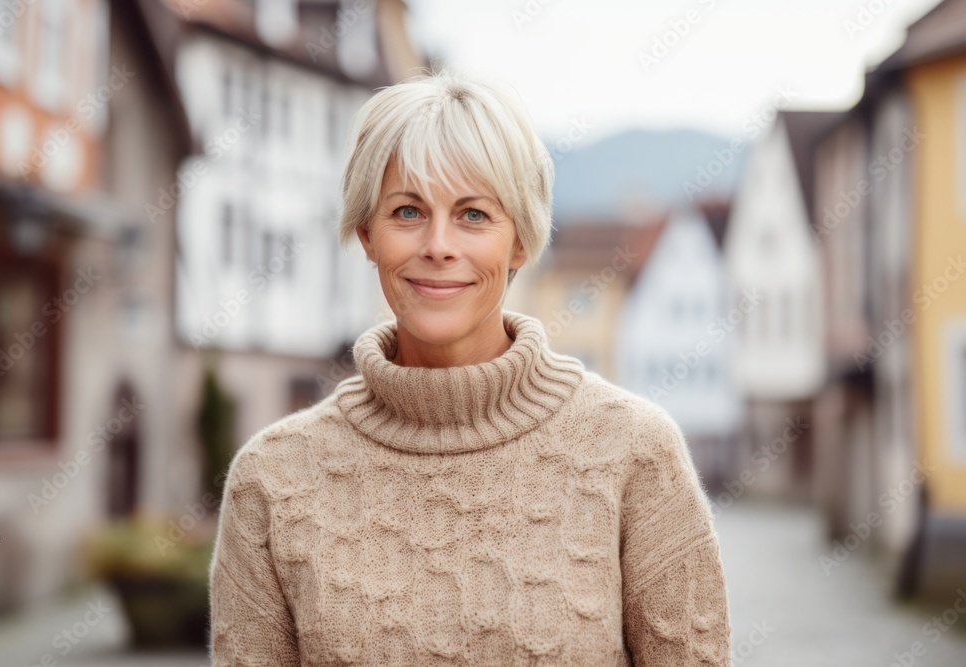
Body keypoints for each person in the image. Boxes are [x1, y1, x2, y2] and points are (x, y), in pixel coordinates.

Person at [208, 63, 732, 666]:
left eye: (473, 214)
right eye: (407, 211)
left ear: (521, 241)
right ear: (367, 233)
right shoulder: (272, 480)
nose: (438, 244)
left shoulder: (636, 452)